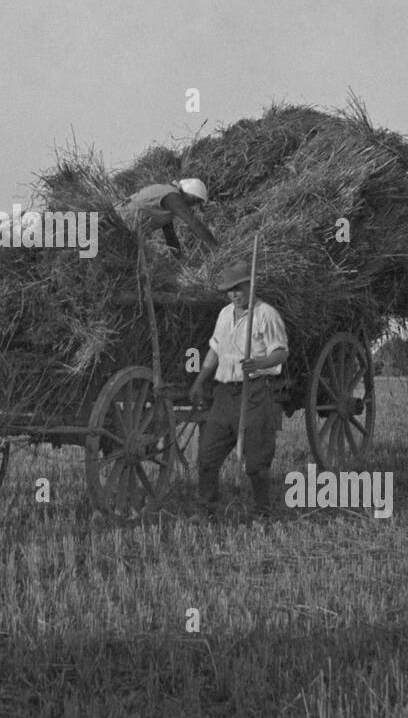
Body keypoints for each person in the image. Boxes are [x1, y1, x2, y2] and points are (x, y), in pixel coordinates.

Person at [189, 255, 288, 517]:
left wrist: (257, 363)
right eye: (230, 290)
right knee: (207, 456)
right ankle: (207, 509)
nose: (234, 294)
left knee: (256, 462)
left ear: (251, 286)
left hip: (254, 392)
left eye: (238, 288)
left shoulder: (266, 315)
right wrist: (199, 381)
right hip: (224, 394)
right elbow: (214, 352)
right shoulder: (224, 315)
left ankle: (262, 511)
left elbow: (280, 354)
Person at [116, 178, 216, 253]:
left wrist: (178, 255)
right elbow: (195, 224)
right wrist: (216, 247)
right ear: (188, 194)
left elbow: (169, 234)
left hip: (124, 226)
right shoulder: (172, 198)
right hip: (118, 220)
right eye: (195, 200)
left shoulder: (169, 198)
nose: (194, 204)